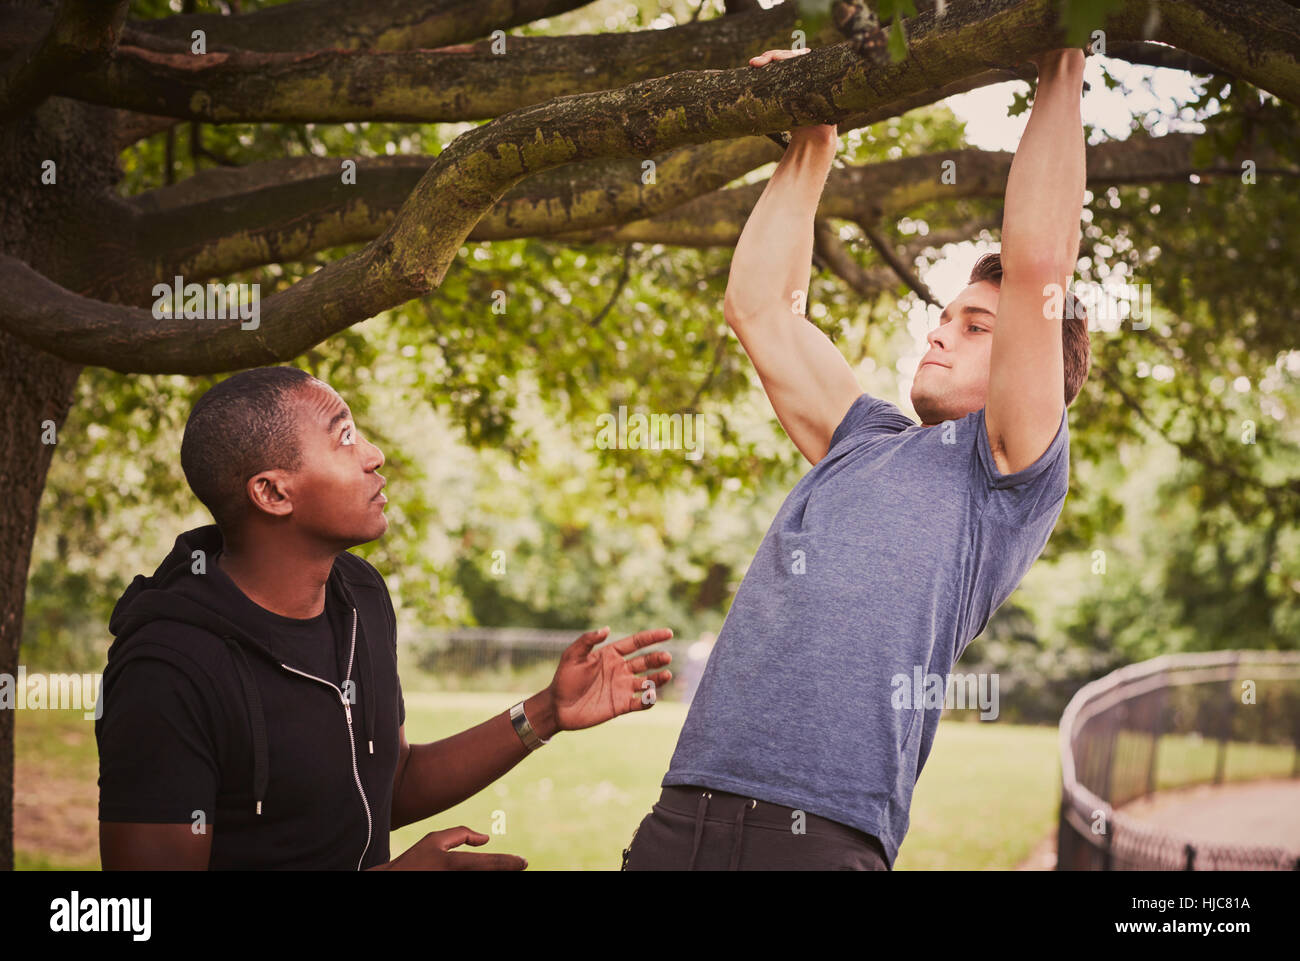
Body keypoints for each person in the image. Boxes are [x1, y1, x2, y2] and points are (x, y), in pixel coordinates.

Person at [622, 45, 1091, 870]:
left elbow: (1039, 266)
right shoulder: (861, 437)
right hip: (681, 814)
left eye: (978, 325)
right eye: (944, 316)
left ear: (1033, 360)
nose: (942, 330)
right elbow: (760, 307)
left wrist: (1061, 58)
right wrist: (812, 131)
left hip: (821, 838)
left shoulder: (1008, 478)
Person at [96, 366, 673, 869]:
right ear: (272, 493)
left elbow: (387, 786)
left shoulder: (360, 595)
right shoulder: (168, 671)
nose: (374, 455)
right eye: (344, 438)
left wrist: (547, 712)